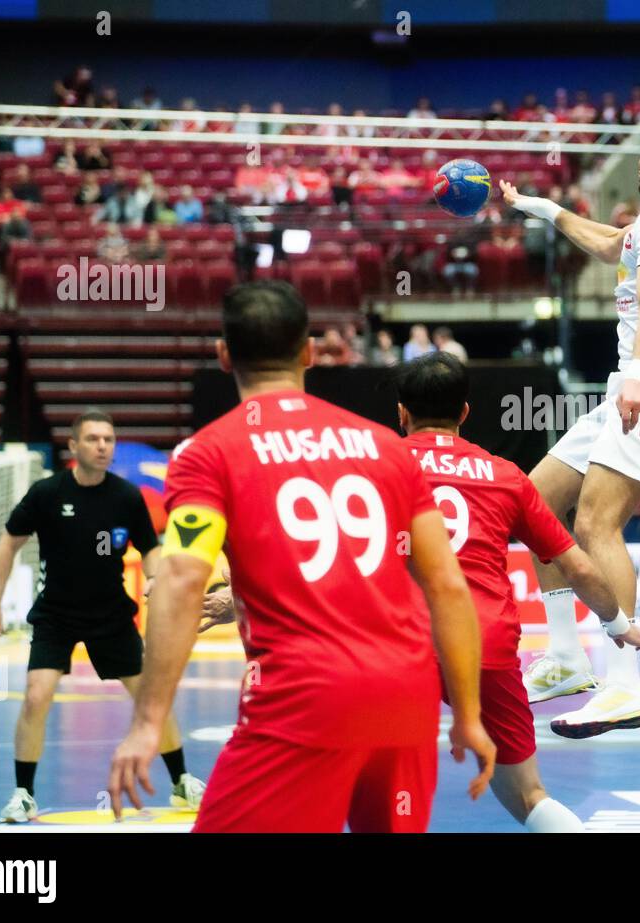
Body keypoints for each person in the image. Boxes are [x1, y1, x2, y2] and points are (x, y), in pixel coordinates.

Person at [107, 282, 495, 832]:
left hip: (301, 699)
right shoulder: (386, 446)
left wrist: (147, 722)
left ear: (223, 356)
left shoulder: (207, 453)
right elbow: (448, 586)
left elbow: (181, 580)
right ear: (310, 353)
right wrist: (471, 715)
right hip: (406, 695)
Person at [499, 112, 640, 737]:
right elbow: (609, 244)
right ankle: (568, 658)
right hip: (639, 384)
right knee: (535, 501)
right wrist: (543, 209)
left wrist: (636, 373)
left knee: (596, 522)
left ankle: (626, 682)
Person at [395, 352, 640, 826]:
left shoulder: (377, 466)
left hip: (396, 645)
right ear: (466, 413)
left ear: (401, 413)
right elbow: (578, 567)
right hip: (483, 645)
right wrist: (621, 625)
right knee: (528, 792)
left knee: (360, 778)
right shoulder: (504, 476)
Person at [0, 411, 205, 823]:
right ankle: (23, 794)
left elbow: (149, 548)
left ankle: (181, 781)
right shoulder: (47, 493)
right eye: (94, 439)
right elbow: (8, 543)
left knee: (150, 699)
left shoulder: (126, 497)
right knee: (35, 696)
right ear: (73, 446)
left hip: (111, 616)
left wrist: (155, 577)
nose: (103, 446)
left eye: (109, 439)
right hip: (56, 615)